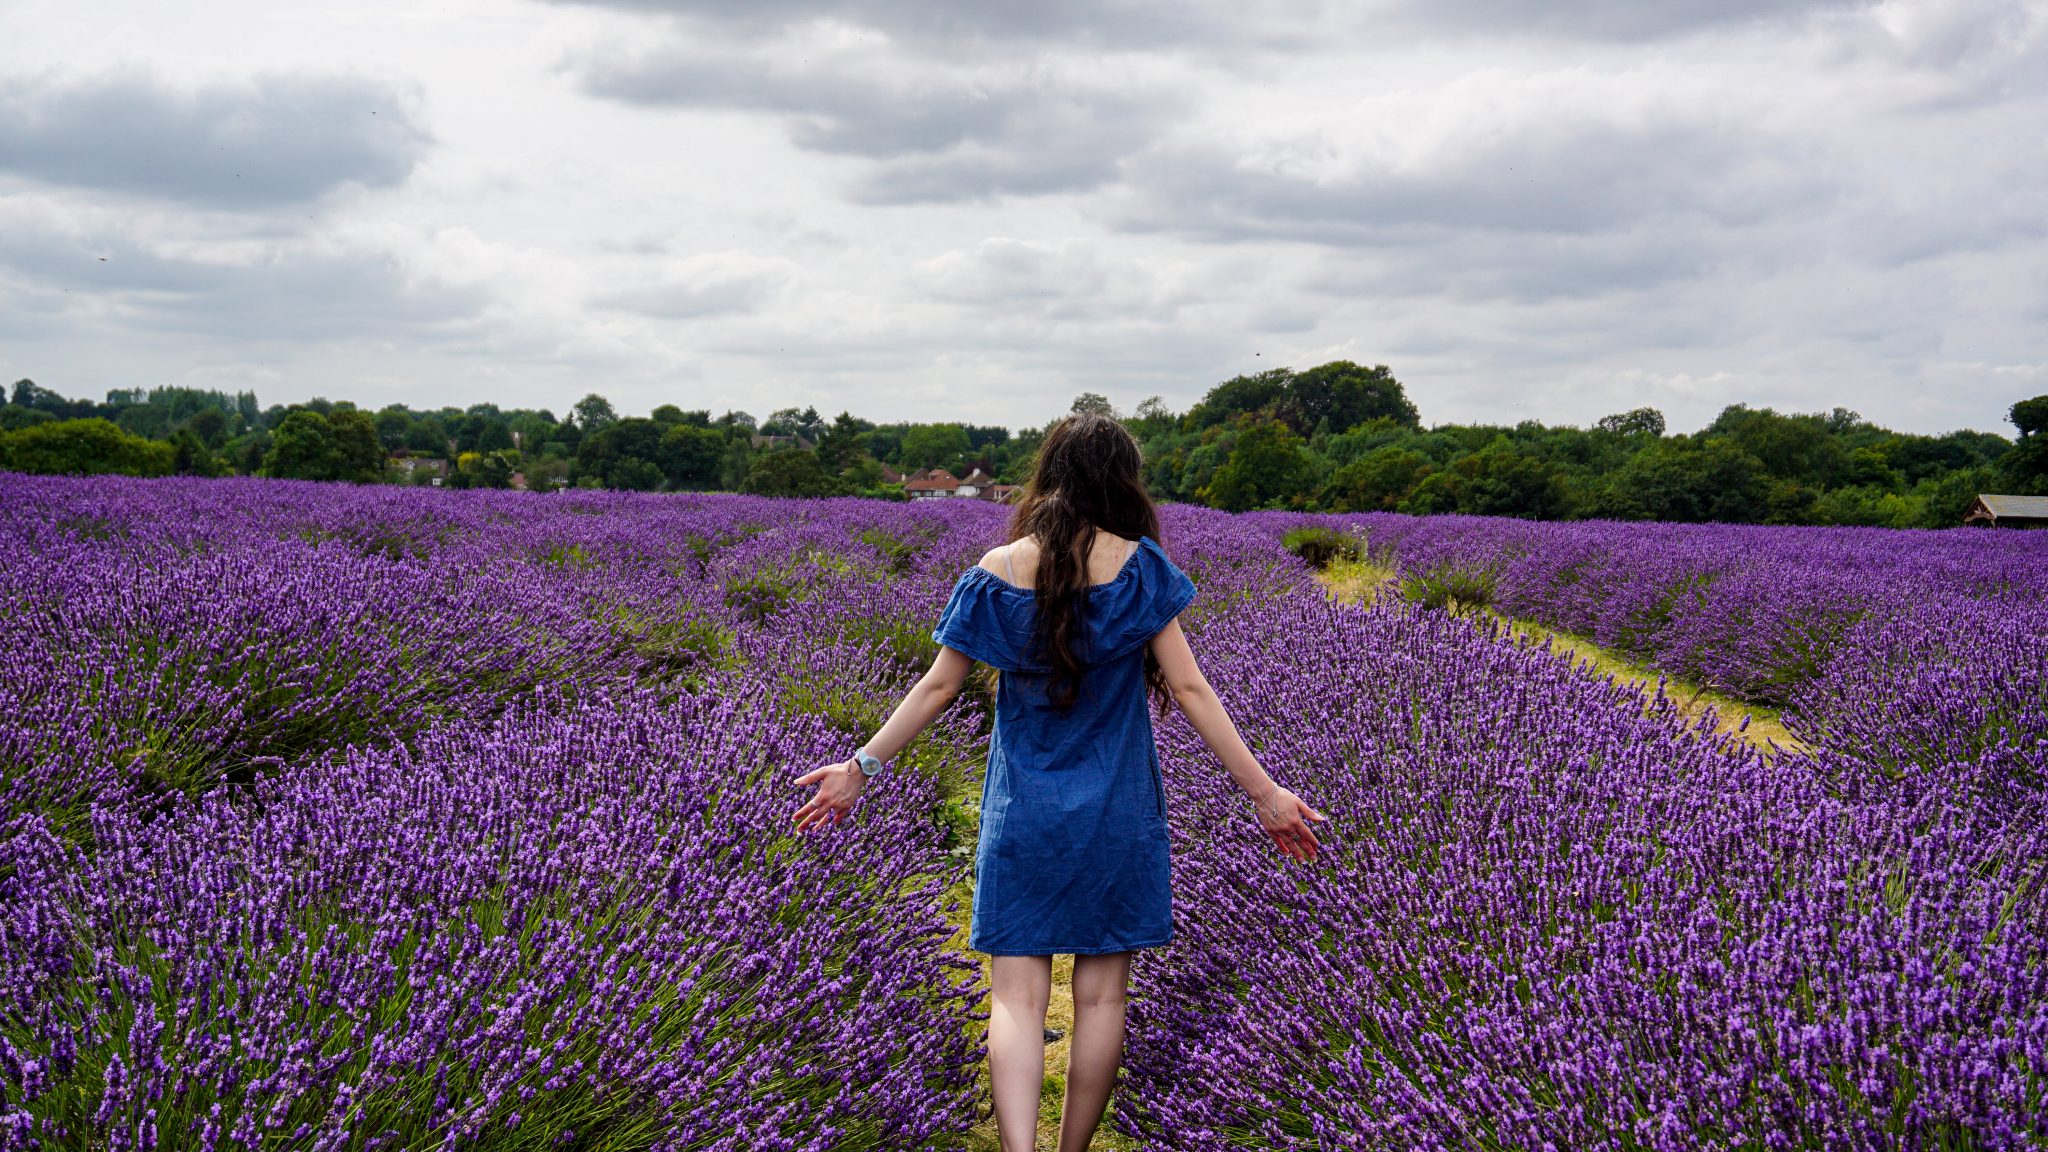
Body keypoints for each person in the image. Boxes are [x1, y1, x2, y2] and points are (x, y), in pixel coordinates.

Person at [791, 412, 1327, 1152]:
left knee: (1014, 998)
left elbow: (938, 688)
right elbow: (1194, 690)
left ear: (1048, 473)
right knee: (1104, 996)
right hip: (1117, 812)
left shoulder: (996, 572)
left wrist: (860, 769)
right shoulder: (1142, 570)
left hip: (1023, 815)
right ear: (1120, 481)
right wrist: (1266, 794)